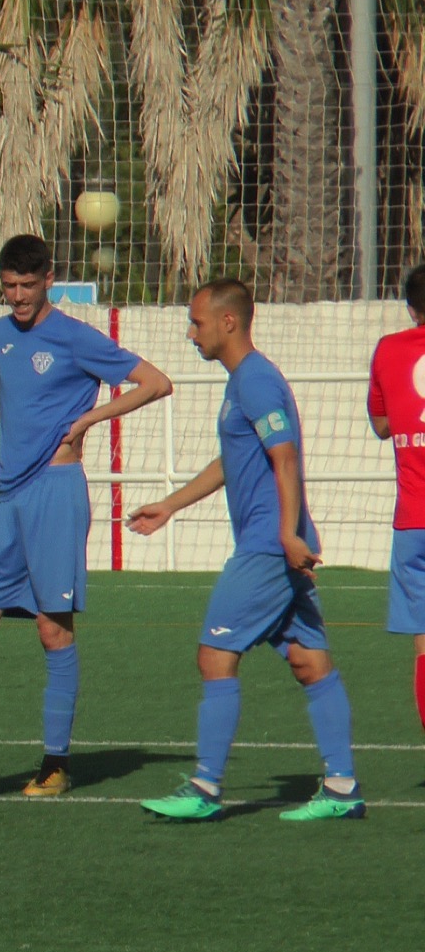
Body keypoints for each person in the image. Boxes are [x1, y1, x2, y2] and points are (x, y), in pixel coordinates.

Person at [0, 235, 172, 799]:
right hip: (8, 497)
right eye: (9, 286)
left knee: (54, 632)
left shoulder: (74, 336)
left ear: (48, 279)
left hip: (56, 493)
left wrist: (88, 420)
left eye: (28, 286)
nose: (18, 297)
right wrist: (16, 433)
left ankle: (55, 763)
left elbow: (156, 382)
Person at [127, 279, 362, 821]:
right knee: (309, 662)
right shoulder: (242, 383)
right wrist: (171, 505)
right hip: (279, 543)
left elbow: (285, 459)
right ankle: (344, 789)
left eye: (197, 322)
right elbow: (233, 461)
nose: (191, 333)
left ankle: (205, 789)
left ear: (228, 322)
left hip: (267, 547)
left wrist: (285, 535)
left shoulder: (255, 380)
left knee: (214, 656)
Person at [368, 264, 425, 735]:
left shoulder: (388, 350)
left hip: (413, 522)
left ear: (411, 308)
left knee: (424, 645)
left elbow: (383, 424)